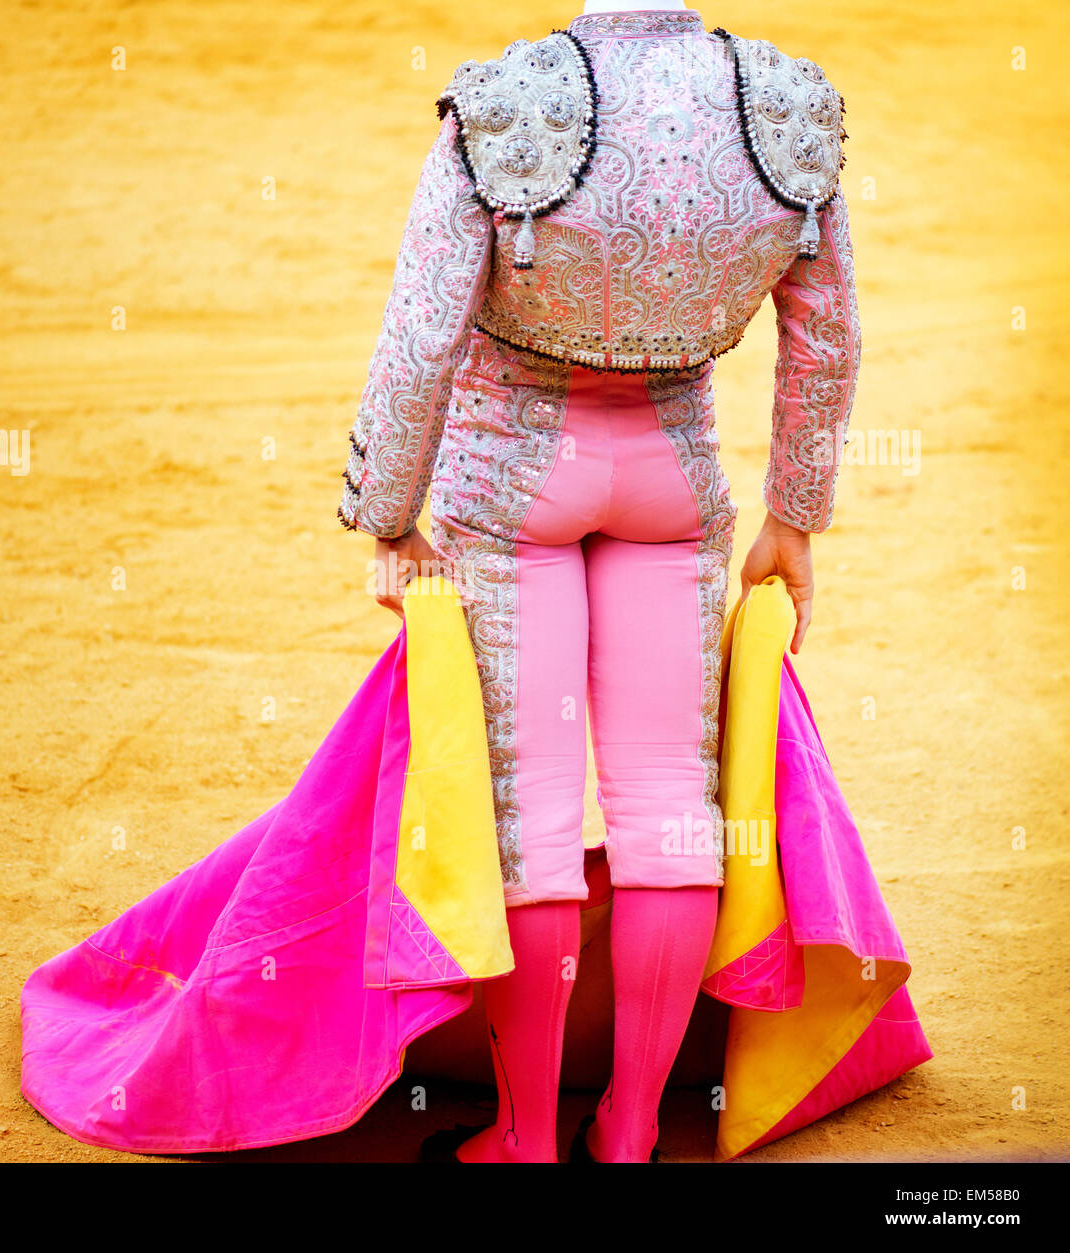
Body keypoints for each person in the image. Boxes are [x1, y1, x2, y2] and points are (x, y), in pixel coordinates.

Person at [335, 4, 860, 1163]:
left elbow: (423, 333)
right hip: (675, 477)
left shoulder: (506, 98)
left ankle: (523, 1136)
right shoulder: (785, 106)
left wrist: (387, 516)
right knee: (673, 801)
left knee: (525, 808)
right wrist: (794, 519)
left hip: (510, 474)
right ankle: (627, 1128)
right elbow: (826, 337)